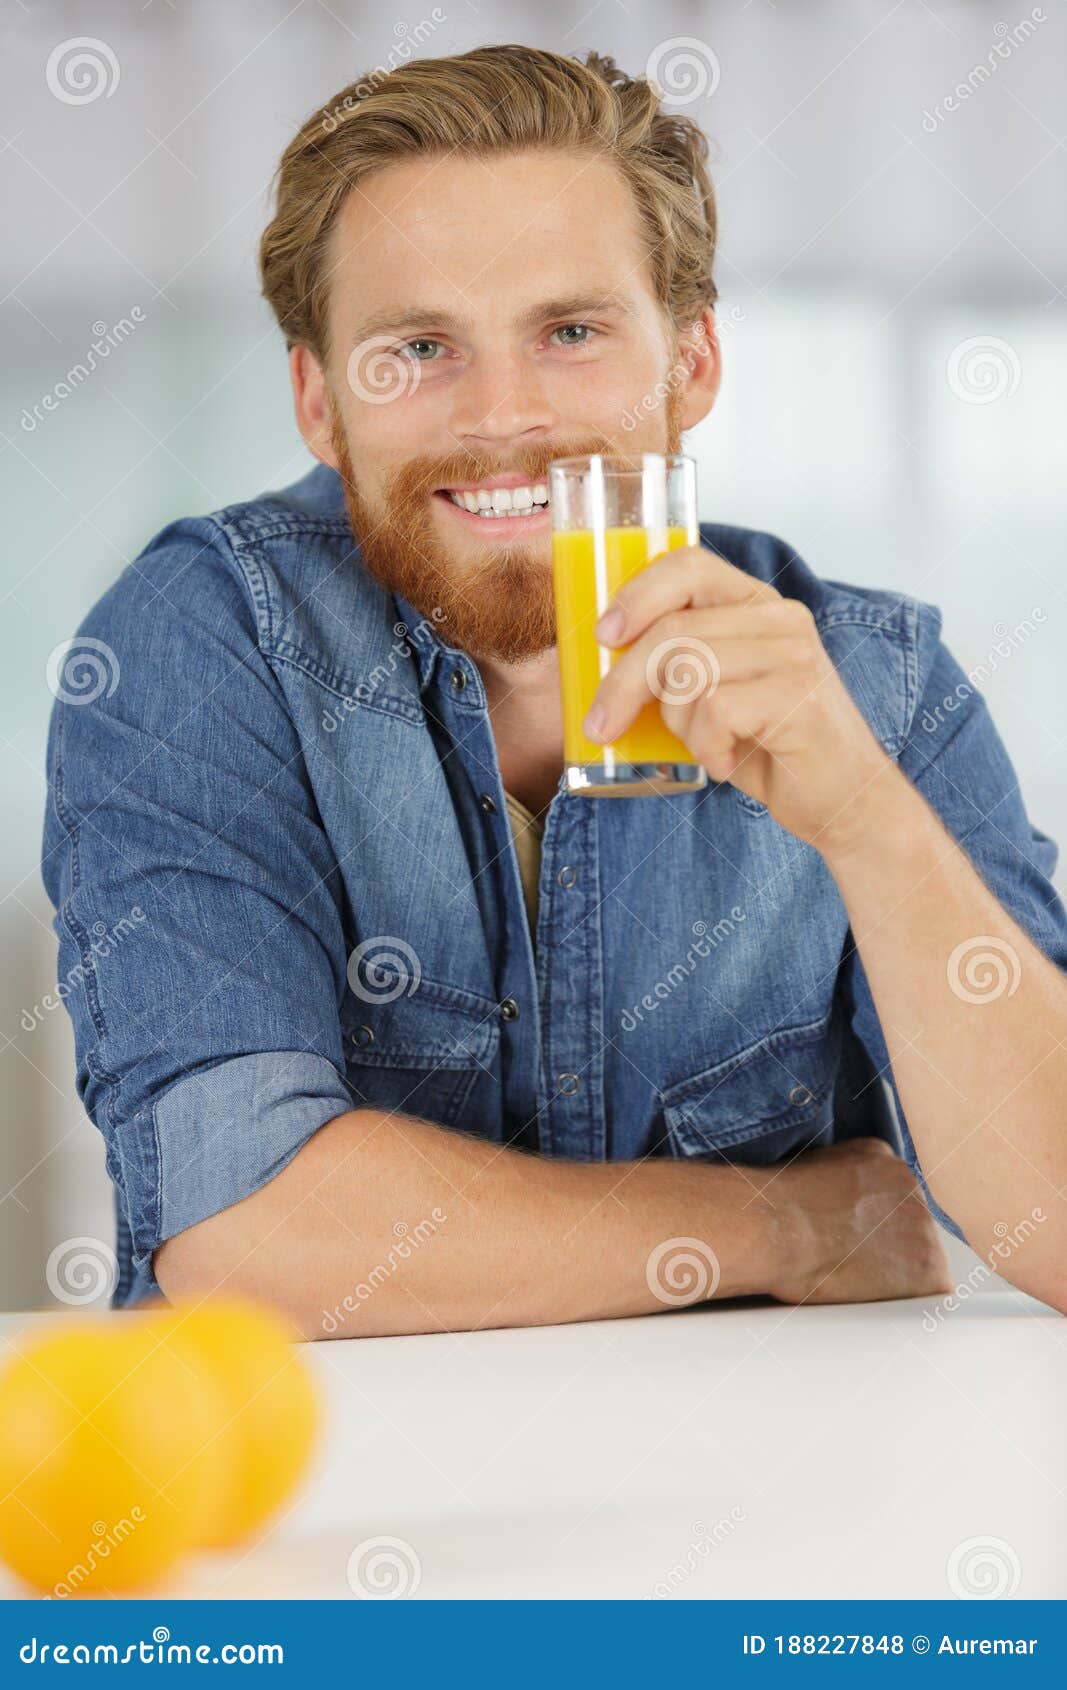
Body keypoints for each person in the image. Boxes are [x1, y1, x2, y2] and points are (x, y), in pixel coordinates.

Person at [42, 46, 1067, 1335]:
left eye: (571, 332)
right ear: (318, 399)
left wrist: (865, 816)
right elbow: (249, 1232)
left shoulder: (878, 684)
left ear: (691, 362)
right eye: (419, 347)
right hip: (333, 1506)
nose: (505, 415)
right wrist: (785, 1224)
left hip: (783, 1505)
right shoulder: (199, 645)